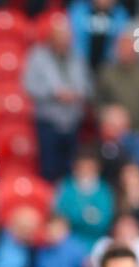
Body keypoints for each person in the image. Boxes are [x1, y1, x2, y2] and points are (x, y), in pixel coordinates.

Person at [23, 13, 93, 182]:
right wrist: (53, 93)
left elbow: (88, 86)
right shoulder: (38, 56)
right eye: (60, 37)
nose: (64, 42)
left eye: (67, 38)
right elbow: (29, 86)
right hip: (48, 121)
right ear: (52, 38)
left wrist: (76, 93)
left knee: (71, 168)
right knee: (49, 167)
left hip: (73, 121)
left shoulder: (77, 57)